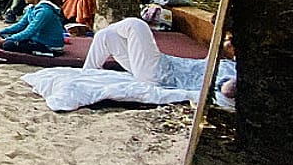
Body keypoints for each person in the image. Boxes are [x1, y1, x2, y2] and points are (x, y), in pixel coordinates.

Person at [83, 17, 238, 105]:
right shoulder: (228, 63)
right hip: (164, 65)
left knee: (135, 25)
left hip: (161, 74)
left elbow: (227, 91)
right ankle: (86, 74)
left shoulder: (234, 74)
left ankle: (84, 75)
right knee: (106, 36)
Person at [0, 0, 66, 54]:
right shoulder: (32, 7)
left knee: (8, 44)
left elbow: (30, 31)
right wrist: (1, 32)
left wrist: (4, 40)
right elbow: (20, 25)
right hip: (36, 40)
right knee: (3, 36)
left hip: (49, 45)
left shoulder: (44, 11)